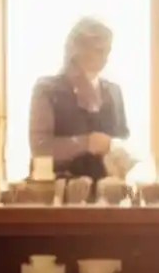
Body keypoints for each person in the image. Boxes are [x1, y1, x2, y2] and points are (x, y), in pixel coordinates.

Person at [28, 17, 129, 179]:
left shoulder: (113, 92)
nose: (105, 58)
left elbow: (123, 142)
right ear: (77, 50)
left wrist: (132, 191)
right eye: (99, 50)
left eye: (108, 51)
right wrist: (85, 143)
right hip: (61, 194)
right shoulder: (47, 89)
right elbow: (40, 148)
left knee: (141, 197)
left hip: (109, 193)